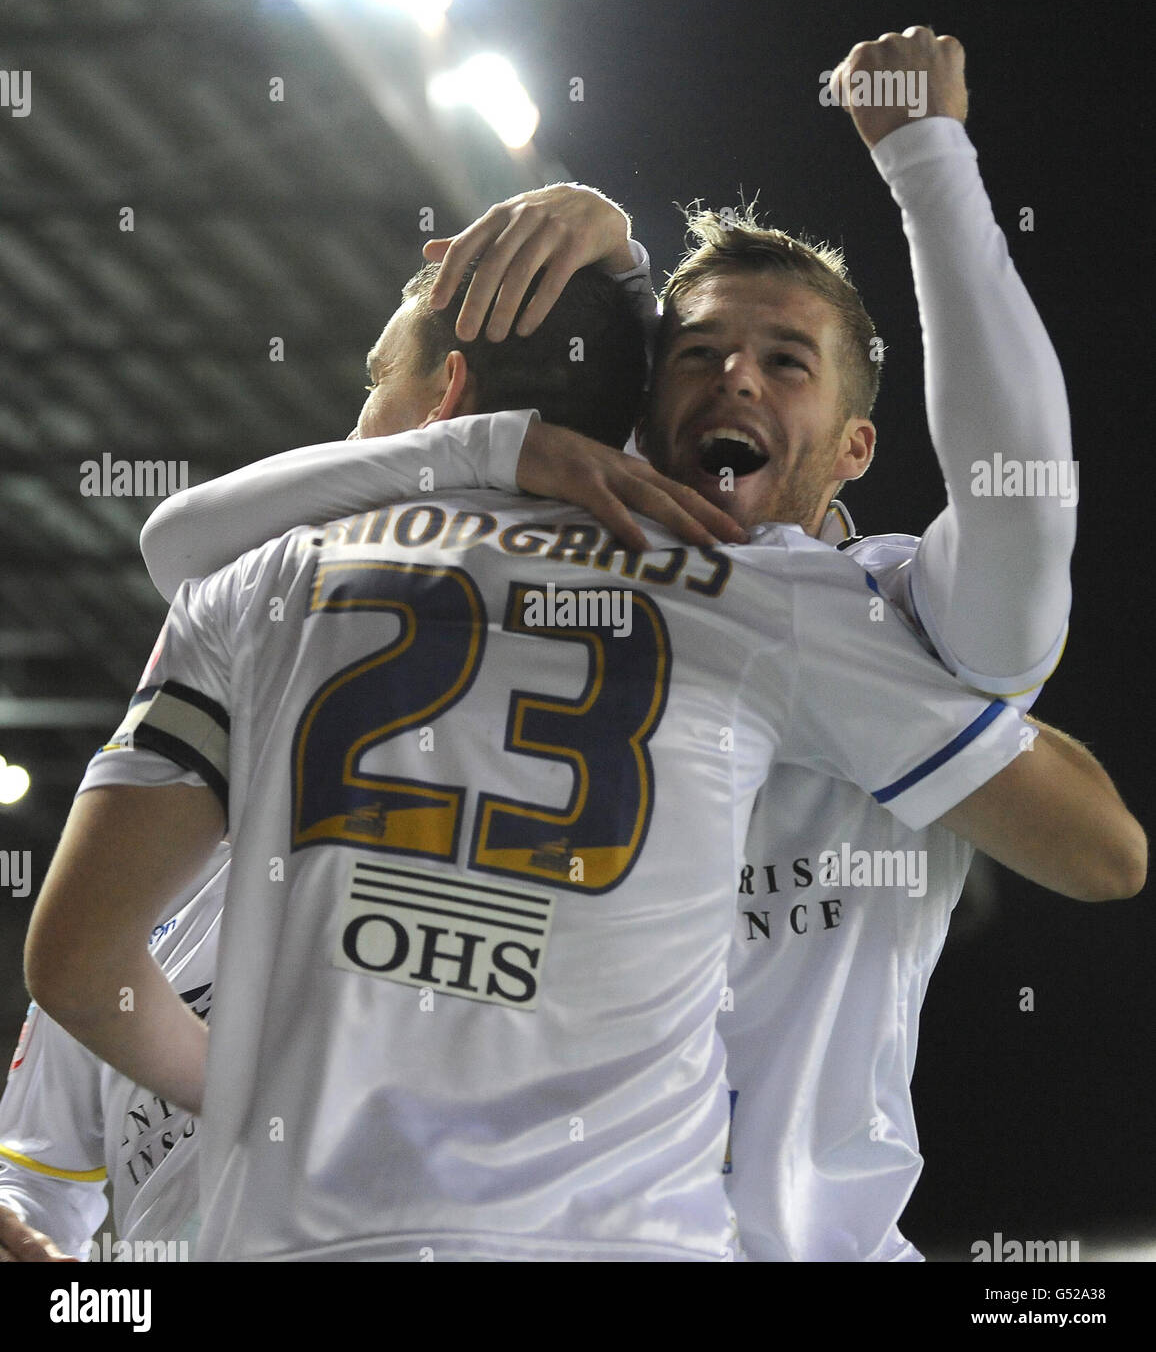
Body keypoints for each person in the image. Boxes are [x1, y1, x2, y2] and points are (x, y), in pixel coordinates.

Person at [24, 217, 1142, 1263]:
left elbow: (77, 958)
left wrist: (261, 1109)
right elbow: (1100, 850)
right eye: (695, 355)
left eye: (371, 384)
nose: (736, 379)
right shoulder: (755, 602)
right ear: (638, 418)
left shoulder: (257, 592)